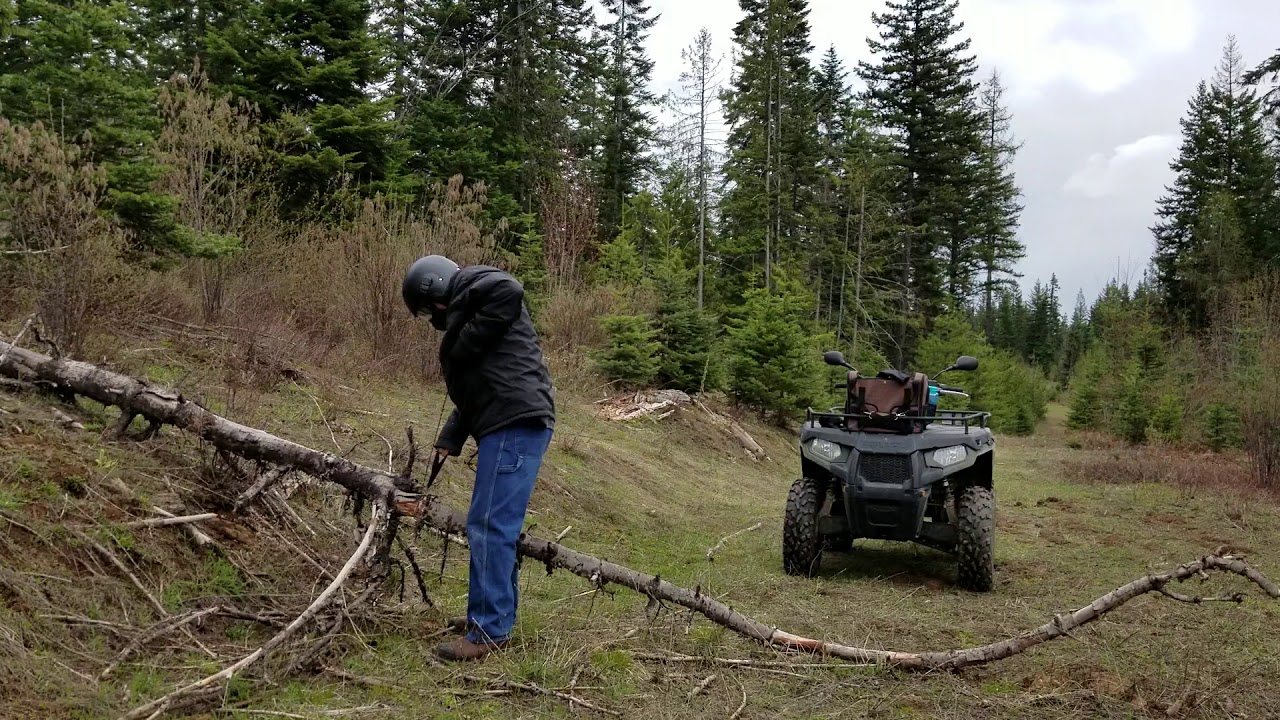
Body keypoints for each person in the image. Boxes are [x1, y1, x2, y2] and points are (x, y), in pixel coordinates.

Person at [401, 254, 555, 662]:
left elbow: (510, 288)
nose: (434, 318)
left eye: (430, 308)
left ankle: (489, 628)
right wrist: (450, 437)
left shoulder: (481, 289)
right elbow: (479, 390)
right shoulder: (479, 321)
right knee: (491, 526)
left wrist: (460, 337)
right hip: (505, 419)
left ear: (435, 292)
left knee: (488, 525)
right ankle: (487, 616)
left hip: (513, 423)